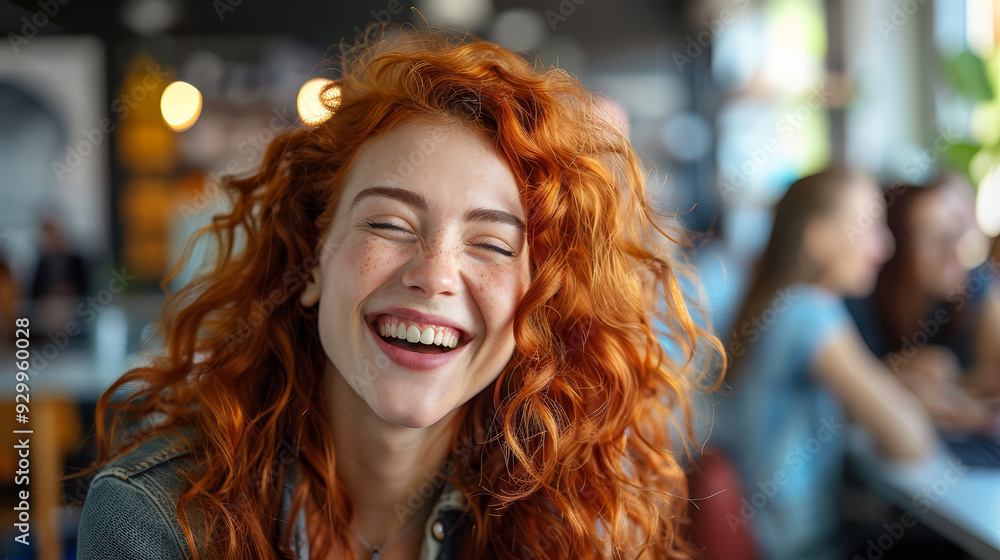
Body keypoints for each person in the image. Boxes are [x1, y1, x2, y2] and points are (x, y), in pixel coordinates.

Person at [73, 27, 721, 560]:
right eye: (388, 224)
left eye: (492, 244)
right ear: (313, 262)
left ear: (537, 300)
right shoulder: (158, 519)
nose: (435, 274)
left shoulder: (578, 516)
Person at [710, 169, 936, 560]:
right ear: (818, 239)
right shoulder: (809, 312)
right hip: (802, 547)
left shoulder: (771, 303)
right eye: (869, 227)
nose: (884, 247)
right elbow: (911, 442)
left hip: (774, 536)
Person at [846, 175, 1000, 427]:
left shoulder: (976, 286)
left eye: (954, 234)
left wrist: (961, 385)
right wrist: (890, 376)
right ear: (891, 245)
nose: (951, 250)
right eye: (931, 236)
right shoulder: (857, 301)